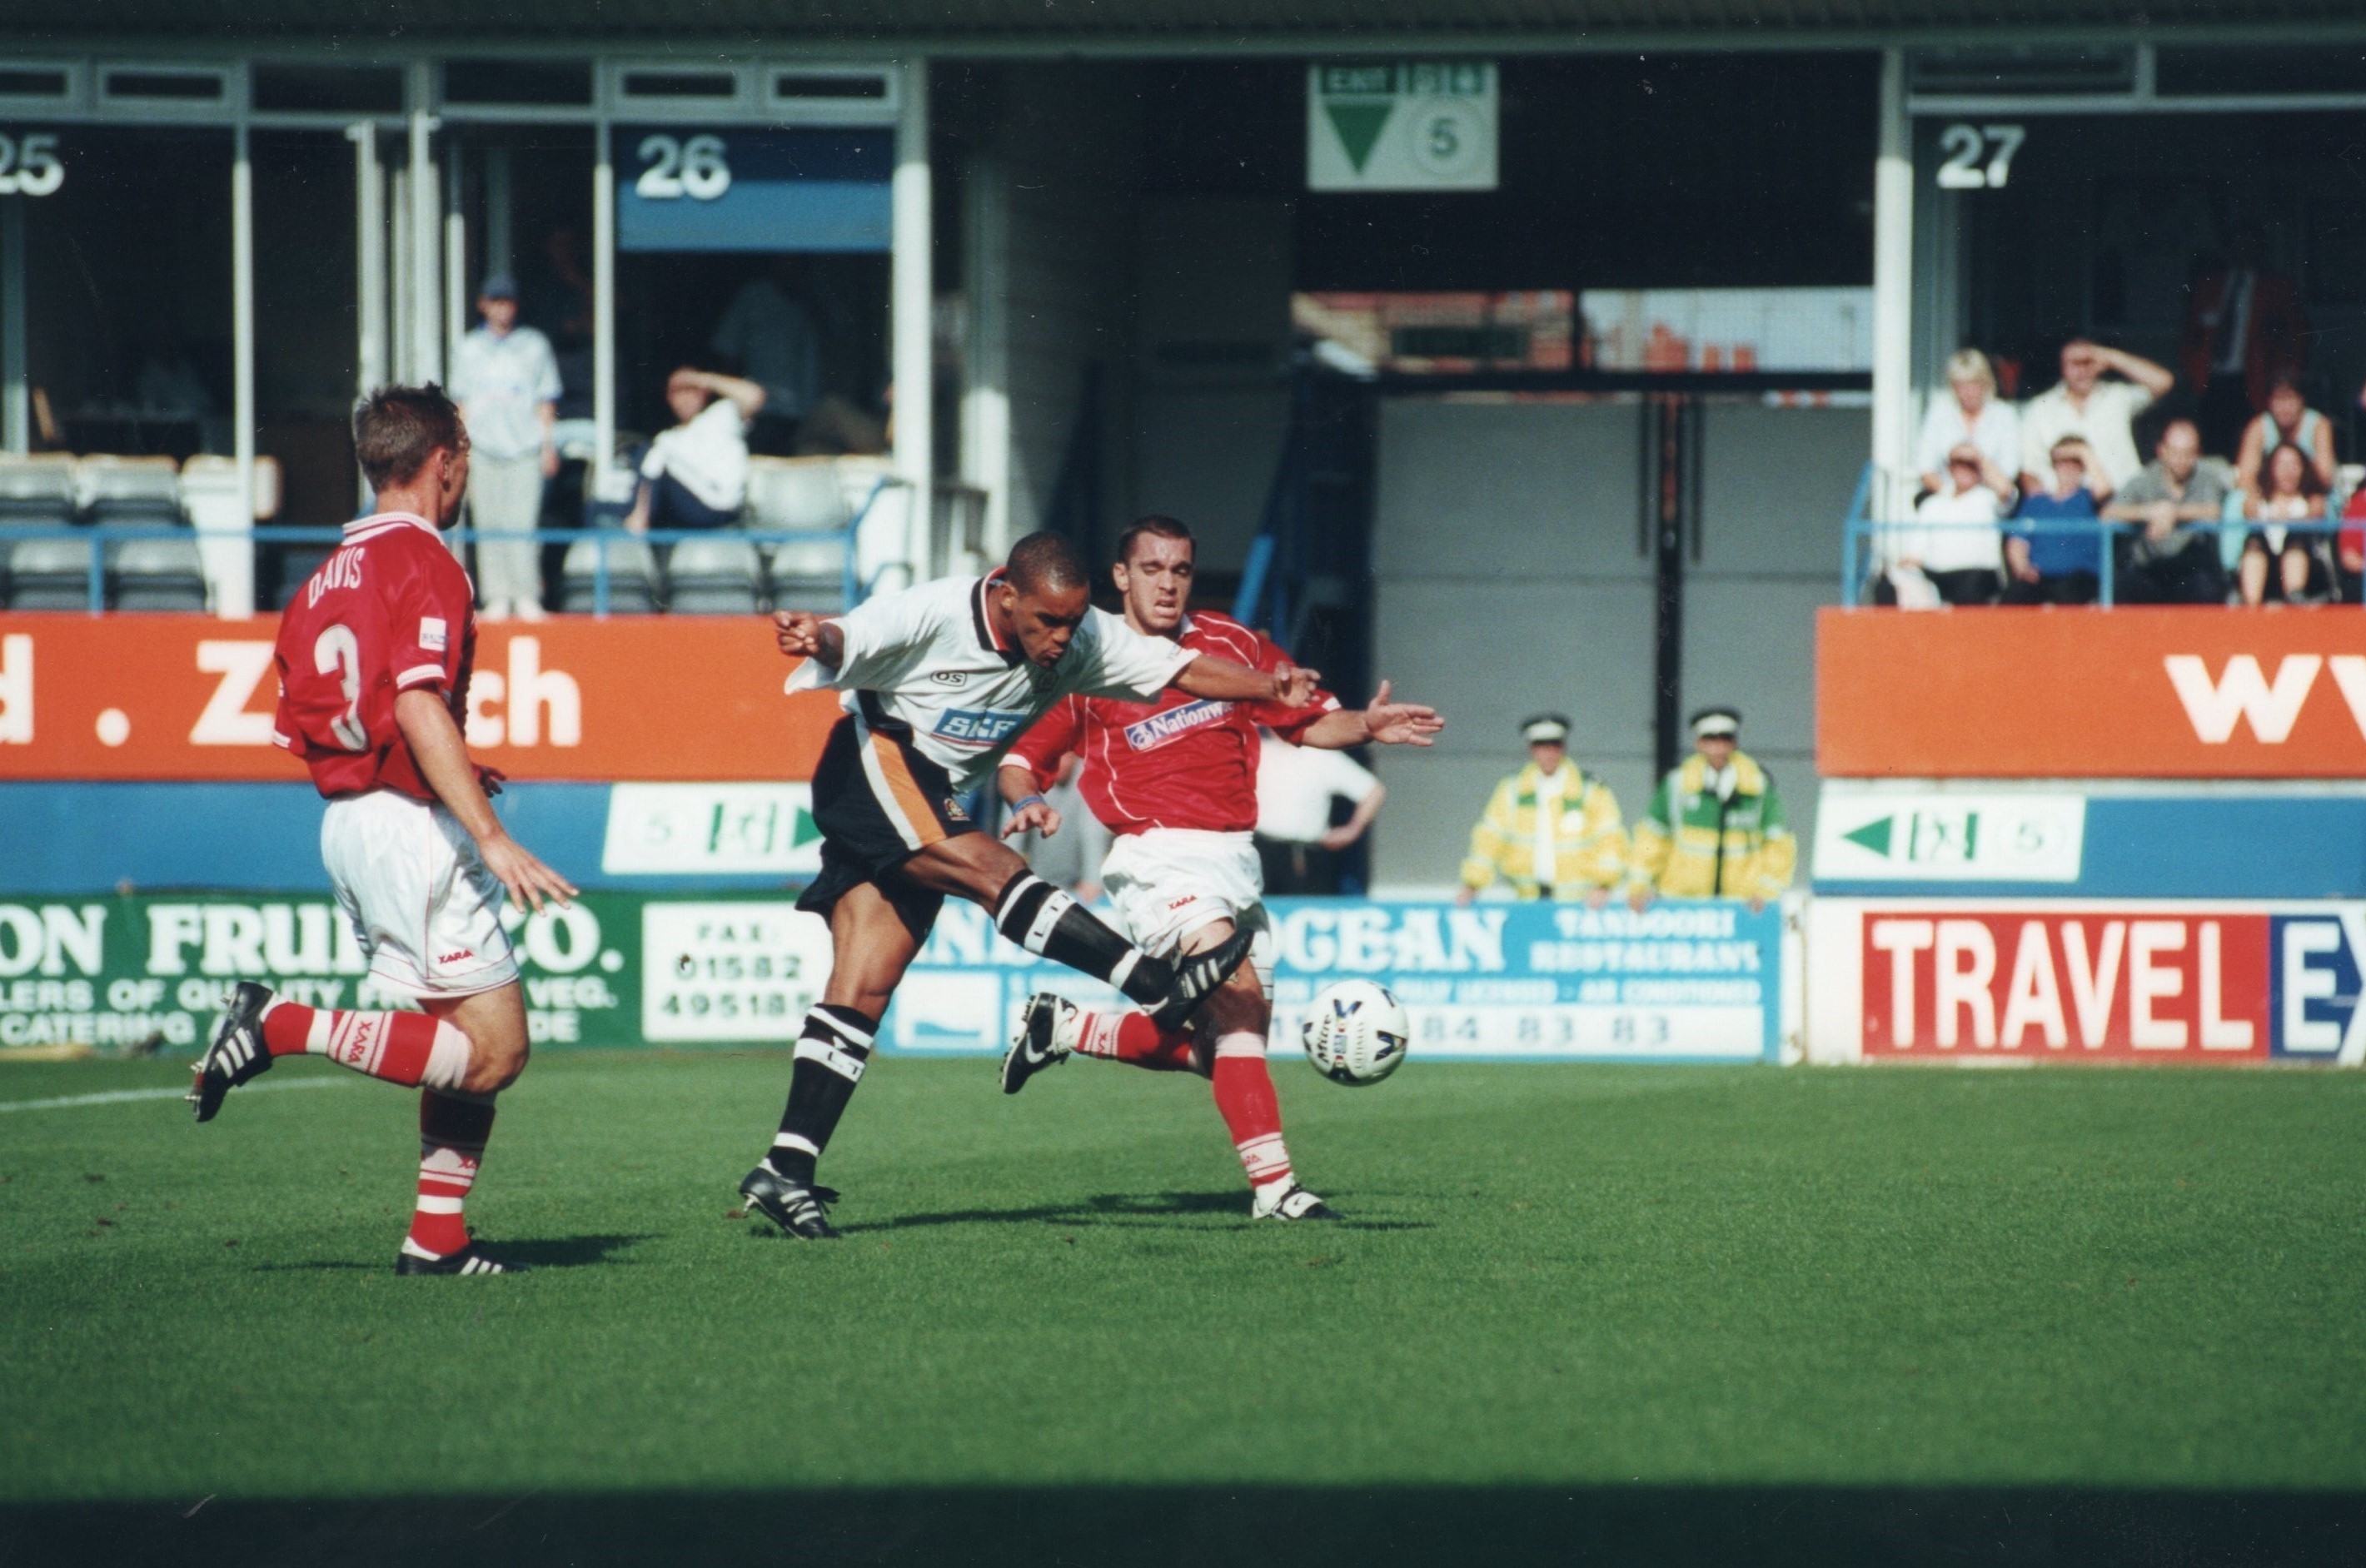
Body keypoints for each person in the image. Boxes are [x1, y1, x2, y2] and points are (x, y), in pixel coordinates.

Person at [741, 530, 1331, 1239]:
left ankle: (785, 1168)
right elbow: (854, 635)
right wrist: (819, 635)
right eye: (1045, 620)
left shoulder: (1084, 641)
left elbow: (1179, 667)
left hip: (933, 798)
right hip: (876, 766)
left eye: (1072, 621)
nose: (1059, 638)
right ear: (1005, 593)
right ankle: (1153, 985)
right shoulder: (935, 611)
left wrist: (1270, 685)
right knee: (997, 872)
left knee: (862, 989)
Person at [188, 384, 578, 1277]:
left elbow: (307, 729)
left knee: (466, 1043)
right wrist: (484, 829)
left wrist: (440, 776)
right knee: (496, 1051)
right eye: (467, 457)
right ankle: (280, 1023)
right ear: (446, 460)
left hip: (350, 819)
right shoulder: (430, 562)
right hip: (414, 829)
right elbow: (411, 699)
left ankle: (436, 1239)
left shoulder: (316, 581)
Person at [994, 515, 1442, 1222]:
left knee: (1223, 1044)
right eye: (1151, 569)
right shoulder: (1087, 659)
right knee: (1233, 997)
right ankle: (1277, 1190)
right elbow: (1023, 759)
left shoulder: (1231, 645)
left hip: (1236, 857)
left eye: (1179, 570)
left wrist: (1364, 723)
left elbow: (1304, 718)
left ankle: (1067, 1029)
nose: (1167, 584)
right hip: (1157, 854)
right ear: (1120, 577)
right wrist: (1026, 801)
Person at [448, 274, 561, 621]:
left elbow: (546, 400)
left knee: (523, 524)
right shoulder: (469, 348)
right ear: (483, 304)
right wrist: (460, 452)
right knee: (488, 523)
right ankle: (497, 597)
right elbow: (461, 403)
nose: (502, 308)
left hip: (524, 447)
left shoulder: (534, 344)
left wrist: (548, 446)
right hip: (482, 447)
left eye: (507, 301)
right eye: (495, 301)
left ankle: (526, 595)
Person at [1625, 708, 1794, 915]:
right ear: (1699, 744)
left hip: (1742, 905)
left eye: (1725, 738)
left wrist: (1767, 891)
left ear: (1734, 743)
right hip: (1683, 903)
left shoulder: (1757, 786)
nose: (1718, 744)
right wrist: (1640, 885)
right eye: (1710, 738)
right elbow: (1651, 838)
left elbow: (1779, 844)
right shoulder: (1678, 784)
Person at [1456, 715, 1626, 906]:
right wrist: (1472, 884)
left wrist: (1603, 885)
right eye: (1541, 747)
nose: (1548, 753)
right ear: (1531, 750)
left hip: (1580, 902)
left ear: (1563, 748)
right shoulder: (1513, 788)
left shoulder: (1590, 789)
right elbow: (1490, 839)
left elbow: (1611, 839)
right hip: (1527, 900)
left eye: (1554, 746)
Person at [2184, 226, 2309, 455]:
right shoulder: (2210, 284)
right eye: (2238, 244)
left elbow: (2297, 336)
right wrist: (2194, 374)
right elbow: (2192, 334)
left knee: (2252, 442)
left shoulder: (2277, 287)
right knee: (2213, 442)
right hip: (2213, 379)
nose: (2243, 251)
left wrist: (2286, 378)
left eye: (2250, 244)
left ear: (2261, 250)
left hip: (2256, 380)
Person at [2019, 338, 2174, 497]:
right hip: (2068, 508)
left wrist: (2110, 356)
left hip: (2123, 503)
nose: (2082, 371)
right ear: (2063, 367)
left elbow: (2164, 382)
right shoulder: (2041, 408)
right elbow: (2030, 470)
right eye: (2075, 364)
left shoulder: (2117, 396)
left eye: (2087, 363)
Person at [624, 368, 766, 534]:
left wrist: (703, 379)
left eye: (692, 391)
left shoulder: (722, 415)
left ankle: (639, 522)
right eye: (679, 392)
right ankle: (638, 525)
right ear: (670, 398)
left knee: (654, 453)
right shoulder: (668, 438)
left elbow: (755, 396)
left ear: (703, 394)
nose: (686, 398)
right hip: (690, 507)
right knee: (600, 508)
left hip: (724, 506)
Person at [2104, 418, 2229, 605]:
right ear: (2162, 451)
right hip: (2149, 568)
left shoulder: (2207, 477)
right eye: (2175, 452)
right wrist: (2150, 512)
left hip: (2190, 572)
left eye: (2189, 453)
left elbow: (2213, 510)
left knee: (2208, 588)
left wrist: (2173, 513)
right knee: (2122, 587)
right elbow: (2108, 513)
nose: (2181, 460)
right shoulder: (2145, 479)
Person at [1254, 727, 1385, 896]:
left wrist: (1352, 830)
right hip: (1259, 849)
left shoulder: (1324, 757)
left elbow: (1373, 791)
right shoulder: (1257, 751)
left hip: (1304, 856)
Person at [710, 259, 821, 451]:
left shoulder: (807, 305)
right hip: (756, 411)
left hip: (796, 416)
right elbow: (726, 349)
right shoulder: (753, 297)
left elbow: (810, 366)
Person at [1887, 443, 2002, 606]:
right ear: (1949, 467)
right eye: (1958, 462)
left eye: (1971, 464)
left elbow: (2006, 491)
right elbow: (1915, 552)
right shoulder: (1933, 504)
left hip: (1975, 573)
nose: (1964, 468)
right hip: (1935, 574)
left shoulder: (1989, 498)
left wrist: (1980, 458)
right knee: (1888, 583)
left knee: (1971, 587)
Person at [2002, 439, 2105, 605]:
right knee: (2014, 597)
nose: (2068, 468)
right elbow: (2017, 541)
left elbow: (2104, 489)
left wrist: (2082, 451)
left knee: (2068, 594)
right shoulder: (2036, 502)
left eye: (2075, 462)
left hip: (2078, 578)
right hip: (2040, 577)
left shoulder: (2089, 498)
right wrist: (2022, 567)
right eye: (2061, 463)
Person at [1915, 348, 2019, 505]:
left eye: (1974, 384)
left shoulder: (2004, 415)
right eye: (1961, 386)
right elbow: (1925, 468)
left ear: (1986, 383)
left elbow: (2008, 472)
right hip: (1947, 499)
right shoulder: (1939, 413)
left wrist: (1977, 458)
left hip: (1990, 500)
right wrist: (1953, 498)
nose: (1968, 392)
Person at [2239, 440, 2331, 607]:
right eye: (2281, 464)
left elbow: (2315, 514)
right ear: (2271, 468)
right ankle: (2251, 605)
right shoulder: (2258, 501)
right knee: (2255, 542)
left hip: (2305, 569)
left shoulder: (2312, 501)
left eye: (2294, 464)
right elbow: (2248, 509)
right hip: (2267, 570)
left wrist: (2285, 518)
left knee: (2295, 539)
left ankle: (2295, 597)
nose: (2288, 471)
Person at [1014, 753, 1110, 903]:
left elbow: (1092, 833)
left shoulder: (1087, 775)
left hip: (1075, 884)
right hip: (1035, 877)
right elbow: (1013, 836)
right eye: (1054, 758)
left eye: (1065, 757)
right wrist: (1012, 880)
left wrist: (1092, 880)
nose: (1060, 764)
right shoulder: (1026, 777)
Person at [2233, 374, 2337, 497]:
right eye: (2279, 400)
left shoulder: (2319, 425)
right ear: (2269, 402)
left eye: (2290, 399)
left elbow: (2324, 476)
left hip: (2310, 494)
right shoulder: (2258, 427)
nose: (2285, 408)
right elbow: (2245, 477)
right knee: (2237, 499)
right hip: (2268, 495)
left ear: (2301, 400)